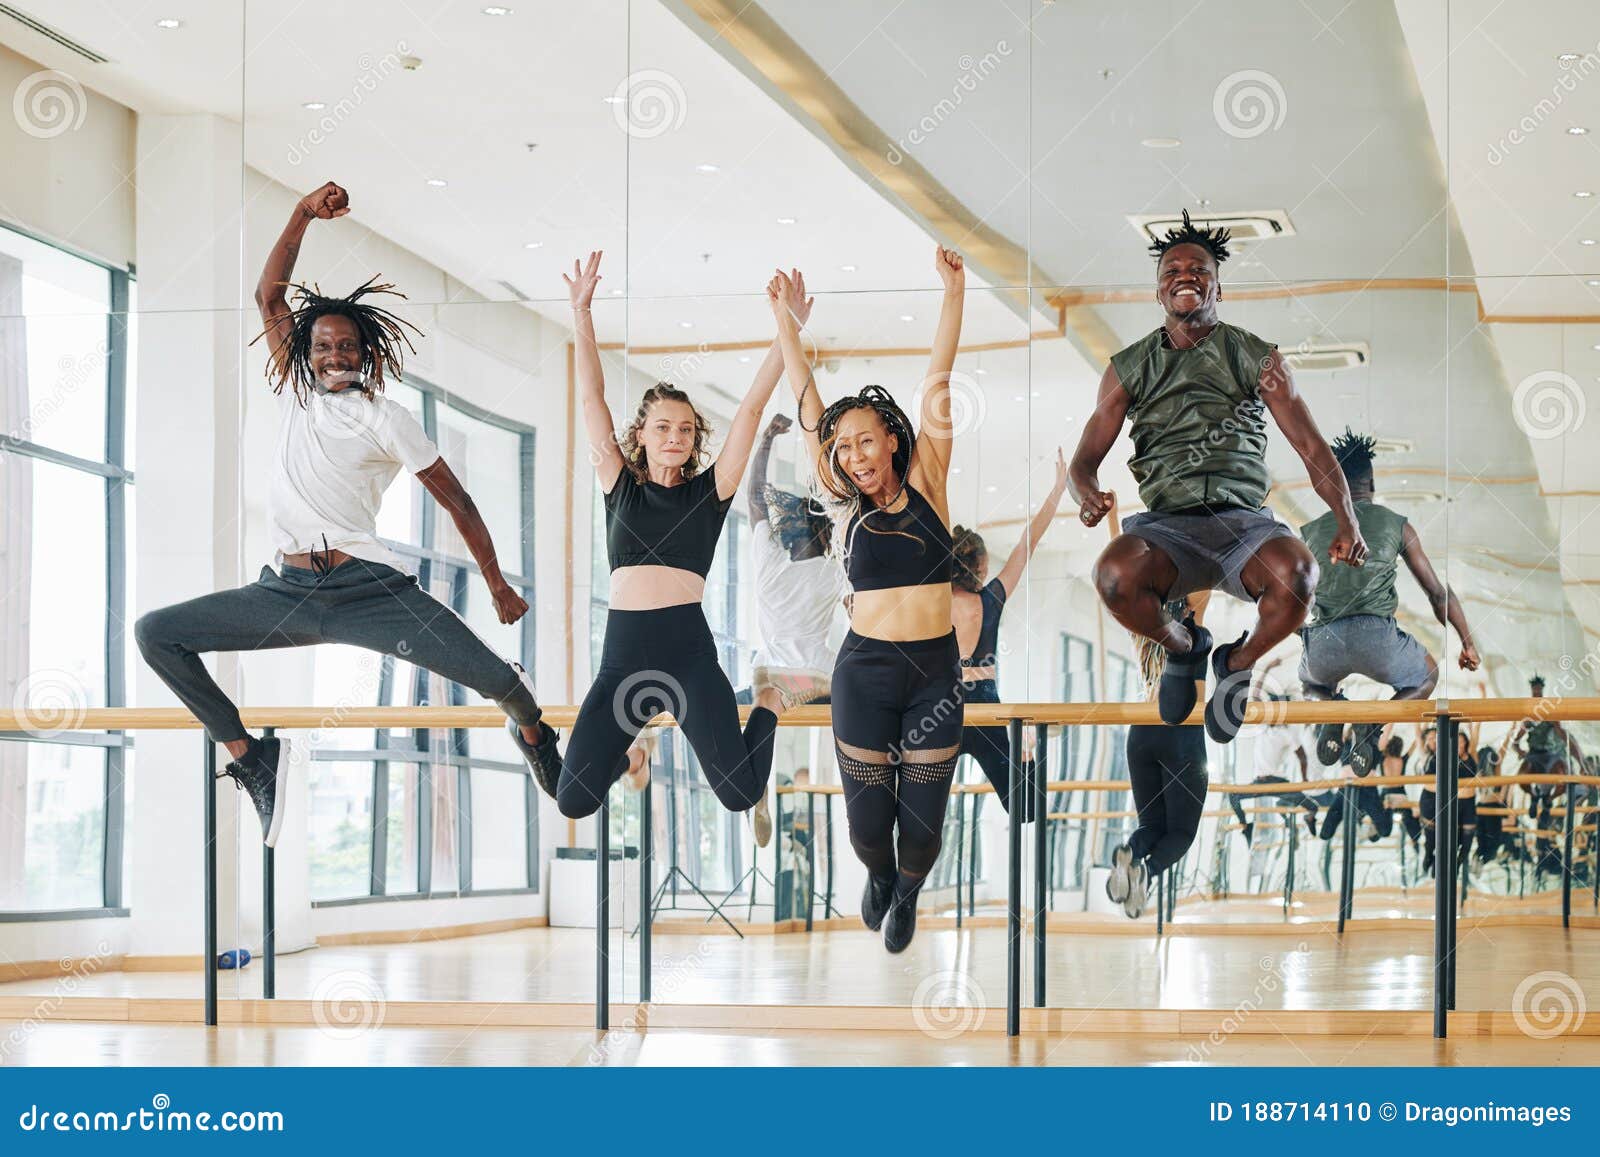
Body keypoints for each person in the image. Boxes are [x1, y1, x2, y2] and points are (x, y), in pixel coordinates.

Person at [135, 181, 559, 847]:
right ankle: (252, 758)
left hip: (371, 591)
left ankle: (534, 735)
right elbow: (270, 296)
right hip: (286, 592)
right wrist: (303, 214)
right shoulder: (294, 392)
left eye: (348, 347)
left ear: (368, 355)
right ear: (307, 350)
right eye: (324, 345)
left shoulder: (389, 419)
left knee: (497, 680)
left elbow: (460, 501)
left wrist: (498, 582)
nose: (335, 355)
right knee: (157, 632)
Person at [1070, 210, 1364, 745]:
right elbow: (1084, 457)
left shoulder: (1258, 357)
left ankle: (1236, 662)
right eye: (1172, 271)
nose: (1185, 276)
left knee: (1298, 575)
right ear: (1158, 292)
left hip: (1243, 528)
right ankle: (1184, 648)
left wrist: (1347, 519)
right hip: (1165, 531)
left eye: (1199, 269)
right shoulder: (1128, 367)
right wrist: (1085, 492)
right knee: (1114, 577)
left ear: (1218, 288)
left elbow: (1310, 446)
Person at [546, 251, 795, 831]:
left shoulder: (711, 493)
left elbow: (752, 409)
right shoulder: (619, 486)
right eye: (663, 427)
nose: (676, 436)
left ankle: (770, 702)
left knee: (737, 794)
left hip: (687, 657)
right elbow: (591, 401)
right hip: (623, 662)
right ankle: (622, 750)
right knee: (574, 800)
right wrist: (582, 313)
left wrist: (788, 330)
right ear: (641, 434)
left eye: (686, 429)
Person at [772, 247, 966, 953]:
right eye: (843, 447)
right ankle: (880, 874)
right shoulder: (843, 506)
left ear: (890, 439)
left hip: (934, 674)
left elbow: (938, 378)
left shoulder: (930, 481)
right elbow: (808, 411)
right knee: (865, 825)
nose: (854, 455)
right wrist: (788, 329)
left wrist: (952, 296)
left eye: (864, 441)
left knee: (923, 825)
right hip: (864, 669)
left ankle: (908, 888)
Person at [1298, 430, 1479, 772]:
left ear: (1333, 482)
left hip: (1325, 642)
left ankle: (1334, 712)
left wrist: (1305, 638)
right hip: (1377, 639)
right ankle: (1373, 726)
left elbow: (1294, 599)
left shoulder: (1307, 532)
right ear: (1372, 483)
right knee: (1427, 676)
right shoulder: (1398, 526)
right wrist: (1467, 643)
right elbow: (1437, 594)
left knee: (1309, 682)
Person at [949, 450, 1069, 817]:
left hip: (941, 711)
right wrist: (1056, 492)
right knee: (1026, 807)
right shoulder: (991, 598)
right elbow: (1026, 545)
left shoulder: (931, 599)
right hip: (986, 706)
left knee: (917, 815)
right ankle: (1032, 751)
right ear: (981, 566)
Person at [1105, 594, 1210, 919]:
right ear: (1188, 608)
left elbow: (1116, 587)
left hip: (1141, 731)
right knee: (1182, 832)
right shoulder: (1192, 634)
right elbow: (1208, 582)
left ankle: (1130, 852)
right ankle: (1146, 871)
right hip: (1181, 731)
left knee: (1150, 824)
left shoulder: (1141, 629)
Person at [1512, 675, 1580, 830]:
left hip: (1551, 753)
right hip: (1534, 754)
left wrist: (1570, 745)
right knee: (1521, 777)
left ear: (1542, 691)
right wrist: (1519, 750)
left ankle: (1549, 799)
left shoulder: (1550, 711)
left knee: (1565, 776)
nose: (1536, 693)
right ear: (1531, 692)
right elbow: (1516, 741)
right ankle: (1535, 796)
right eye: (1534, 691)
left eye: (1539, 690)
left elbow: (1561, 731)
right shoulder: (1528, 716)